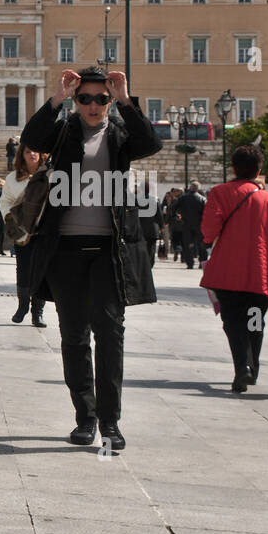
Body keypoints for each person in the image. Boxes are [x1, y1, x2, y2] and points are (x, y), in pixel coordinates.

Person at [20, 64, 161, 451]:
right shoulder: (64, 130)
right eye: (86, 98)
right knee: (75, 337)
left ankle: (111, 422)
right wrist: (57, 98)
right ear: (77, 100)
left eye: (102, 98)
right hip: (65, 248)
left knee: (110, 335)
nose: (94, 105)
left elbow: (150, 143)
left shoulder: (120, 134)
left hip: (109, 250)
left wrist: (128, 101)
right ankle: (86, 418)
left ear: (109, 99)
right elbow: (31, 138)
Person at [201, 145, 268, 392]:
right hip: (260, 275)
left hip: (227, 274)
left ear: (234, 167)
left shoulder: (219, 192)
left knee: (233, 322)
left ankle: (241, 368)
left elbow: (208, 232)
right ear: (259, 169)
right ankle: (252, 366)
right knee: (254, 321)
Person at [1, 139, 48, 328]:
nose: (32, 154)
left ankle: (38, 312)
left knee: (41, 272)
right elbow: (5, 201)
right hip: (22, 231)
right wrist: (10, 218)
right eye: (28, 151)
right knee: (23, 269)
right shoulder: (13, 178)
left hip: (44, 231)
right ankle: (23, 306)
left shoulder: (50, 175)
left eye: (35, 151)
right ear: (22, 155)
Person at [173, 180, 208, 269]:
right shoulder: (202, 199)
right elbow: (207, 212)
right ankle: (202, 262)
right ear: (198, 189)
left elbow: (174, 207)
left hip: (186, 224)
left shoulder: (183, 198)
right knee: (201, 244)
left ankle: (190, 263)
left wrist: (177, 216)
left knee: (187, 244)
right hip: (199, 225)